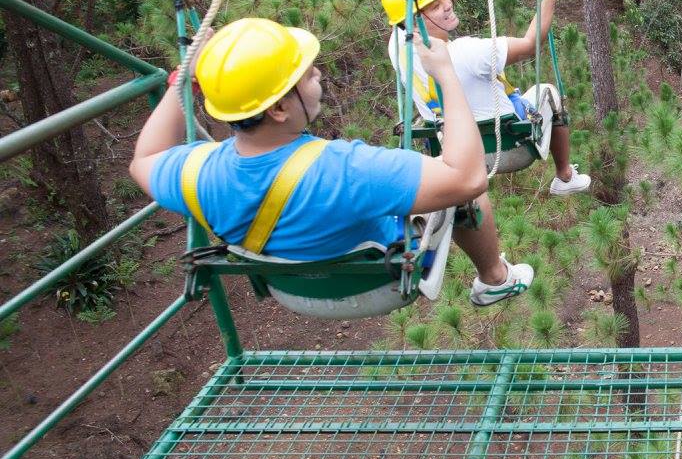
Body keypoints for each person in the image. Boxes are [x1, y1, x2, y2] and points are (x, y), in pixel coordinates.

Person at [129, 17, 534, 307]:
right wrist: (445, 74)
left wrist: (182, 81)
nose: (319, 73)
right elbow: (468, 178)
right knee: (468, 199)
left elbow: (143, 159)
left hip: (291, 292)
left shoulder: (198, 172)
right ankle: (494, 278)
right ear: (280, 110)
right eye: (306, 75)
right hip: (374, 287)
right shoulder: (347, 169)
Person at [381, 0, 590, 194]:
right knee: (548, 90)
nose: (448, 5)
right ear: (414, 24)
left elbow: (400, 18)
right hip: (508, 150)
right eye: (434, 7)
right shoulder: (467, 52)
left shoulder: (398, 50)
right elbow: (530, 44)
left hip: (452, 153)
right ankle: (565, 176)